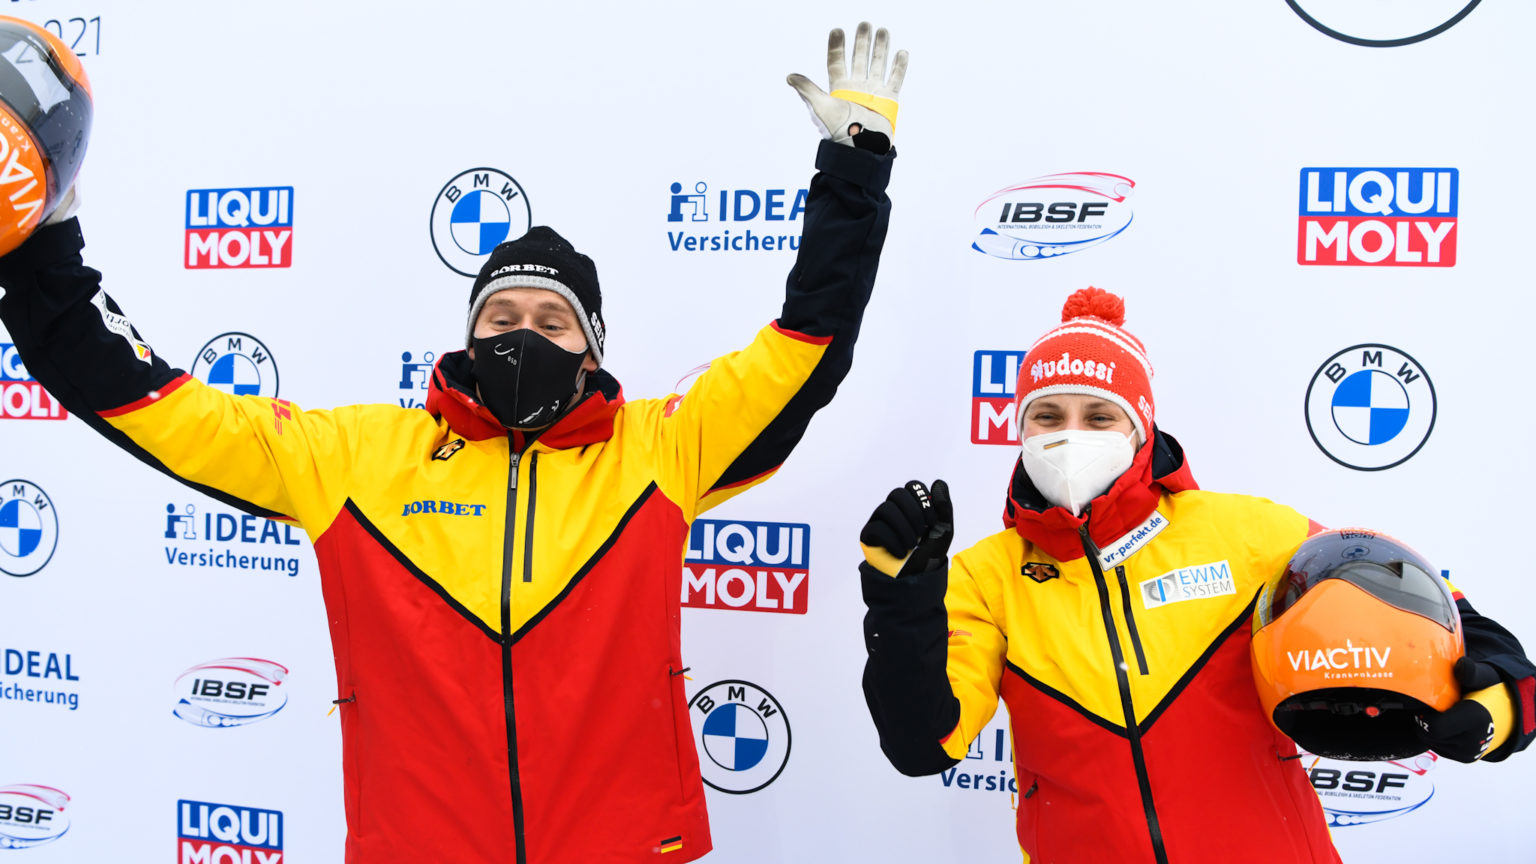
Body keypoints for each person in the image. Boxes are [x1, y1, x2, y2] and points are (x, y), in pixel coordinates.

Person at [0, 23, 908, 864]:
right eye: (500, 315)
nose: (524, 333)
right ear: (469, 337)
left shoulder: (660, 452)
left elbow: (807, 348)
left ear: (593, 347)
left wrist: (854, 174)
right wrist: (44, 248)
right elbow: (151, 402)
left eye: (553, 320)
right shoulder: (360, 460)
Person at [856, 287, 1536, 863]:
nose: (1069, 435)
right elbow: (925, 744)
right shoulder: (985, 577)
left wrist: (1503, 699)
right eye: (1046, 416)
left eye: (1099, 416)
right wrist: (900, 600)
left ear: (1142, 426)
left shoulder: (1246, 534)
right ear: (1020, 428)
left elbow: (1416, 597)